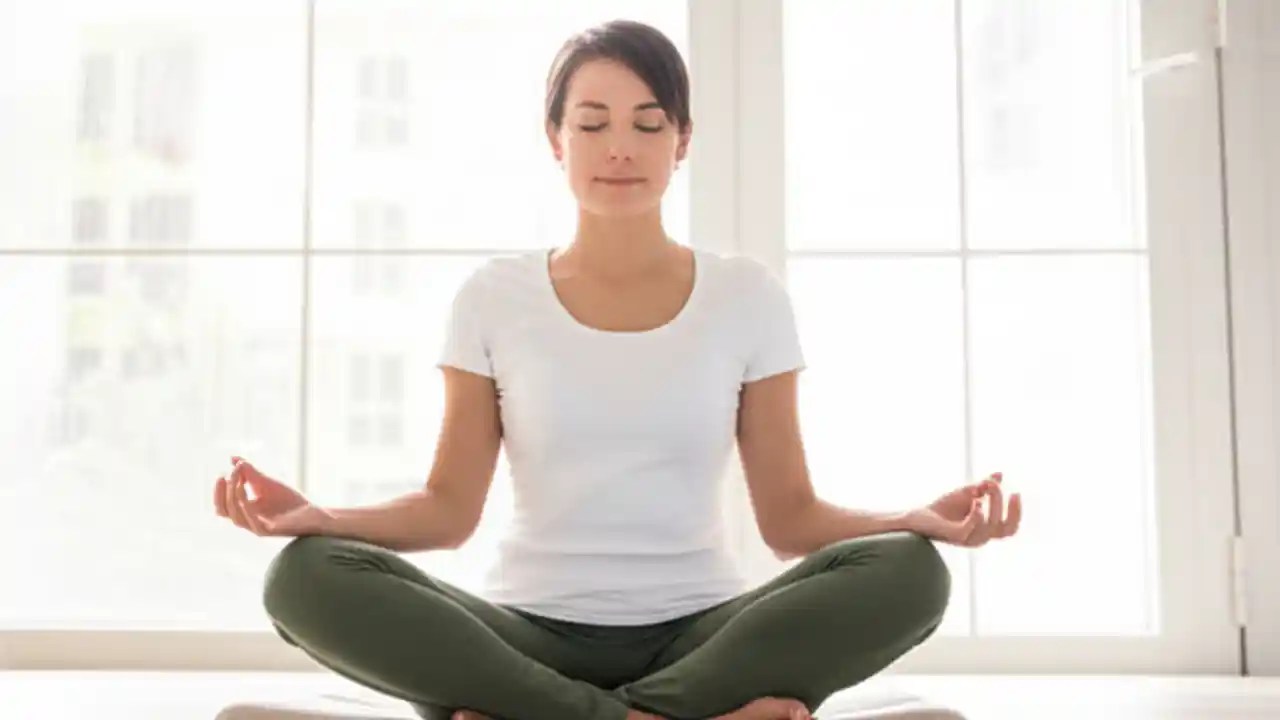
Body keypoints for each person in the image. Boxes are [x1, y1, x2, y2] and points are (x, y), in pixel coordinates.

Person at [212, 19, 1022, 720]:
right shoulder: (494, 296)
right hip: (523, 638)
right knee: (304, 578)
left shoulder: (747, 296)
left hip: (706, 637)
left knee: (910, 572)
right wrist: (319, 518)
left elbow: (791, 520)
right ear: (554, 140)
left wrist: (918, 518)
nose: (621, 148)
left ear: (684, 142)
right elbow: (448, 510)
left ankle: (547, 718)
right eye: (593, 123)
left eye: (648, 122)